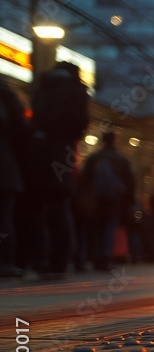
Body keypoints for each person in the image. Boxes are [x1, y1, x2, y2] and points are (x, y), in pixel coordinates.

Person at [28, 61, 90, 278]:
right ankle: (59, 262)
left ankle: (38, 259)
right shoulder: (76, 89)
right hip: (61, 153)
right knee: (60, 207)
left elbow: (34, 118)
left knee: (36, 210)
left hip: (36, 154)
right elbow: (80, 123)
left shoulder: (42, 86)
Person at [77, 131, 135, 270]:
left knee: (96, 229)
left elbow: (84, 181)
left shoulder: (93, 158)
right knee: (110, 228)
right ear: (115, 141)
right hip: (114, 202)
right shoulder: (121, 160)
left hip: (95, 201)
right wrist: (128, 203)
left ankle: (93, 257)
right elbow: (131, 183)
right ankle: (105, 256)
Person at [0, 80, 29, 277]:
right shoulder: (12, 102)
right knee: (4, 218)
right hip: (9, 171)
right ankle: (7, 261)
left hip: (8, 171)